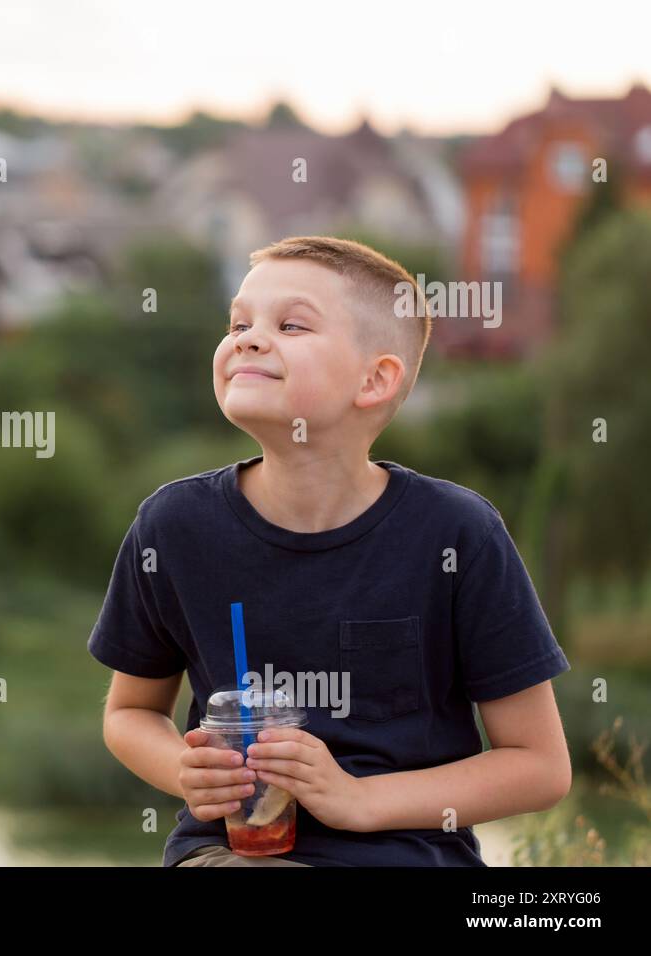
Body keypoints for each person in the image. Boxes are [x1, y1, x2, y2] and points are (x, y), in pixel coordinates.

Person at [88, 236, 571, 866]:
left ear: (375, 379)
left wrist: (359, 799)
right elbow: (129, 713)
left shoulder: (457, 533)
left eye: (290, 325)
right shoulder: (175, 526)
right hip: (233, 855)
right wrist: (187, 770)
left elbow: (539, 766)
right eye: (239, 323)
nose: (249, 338)